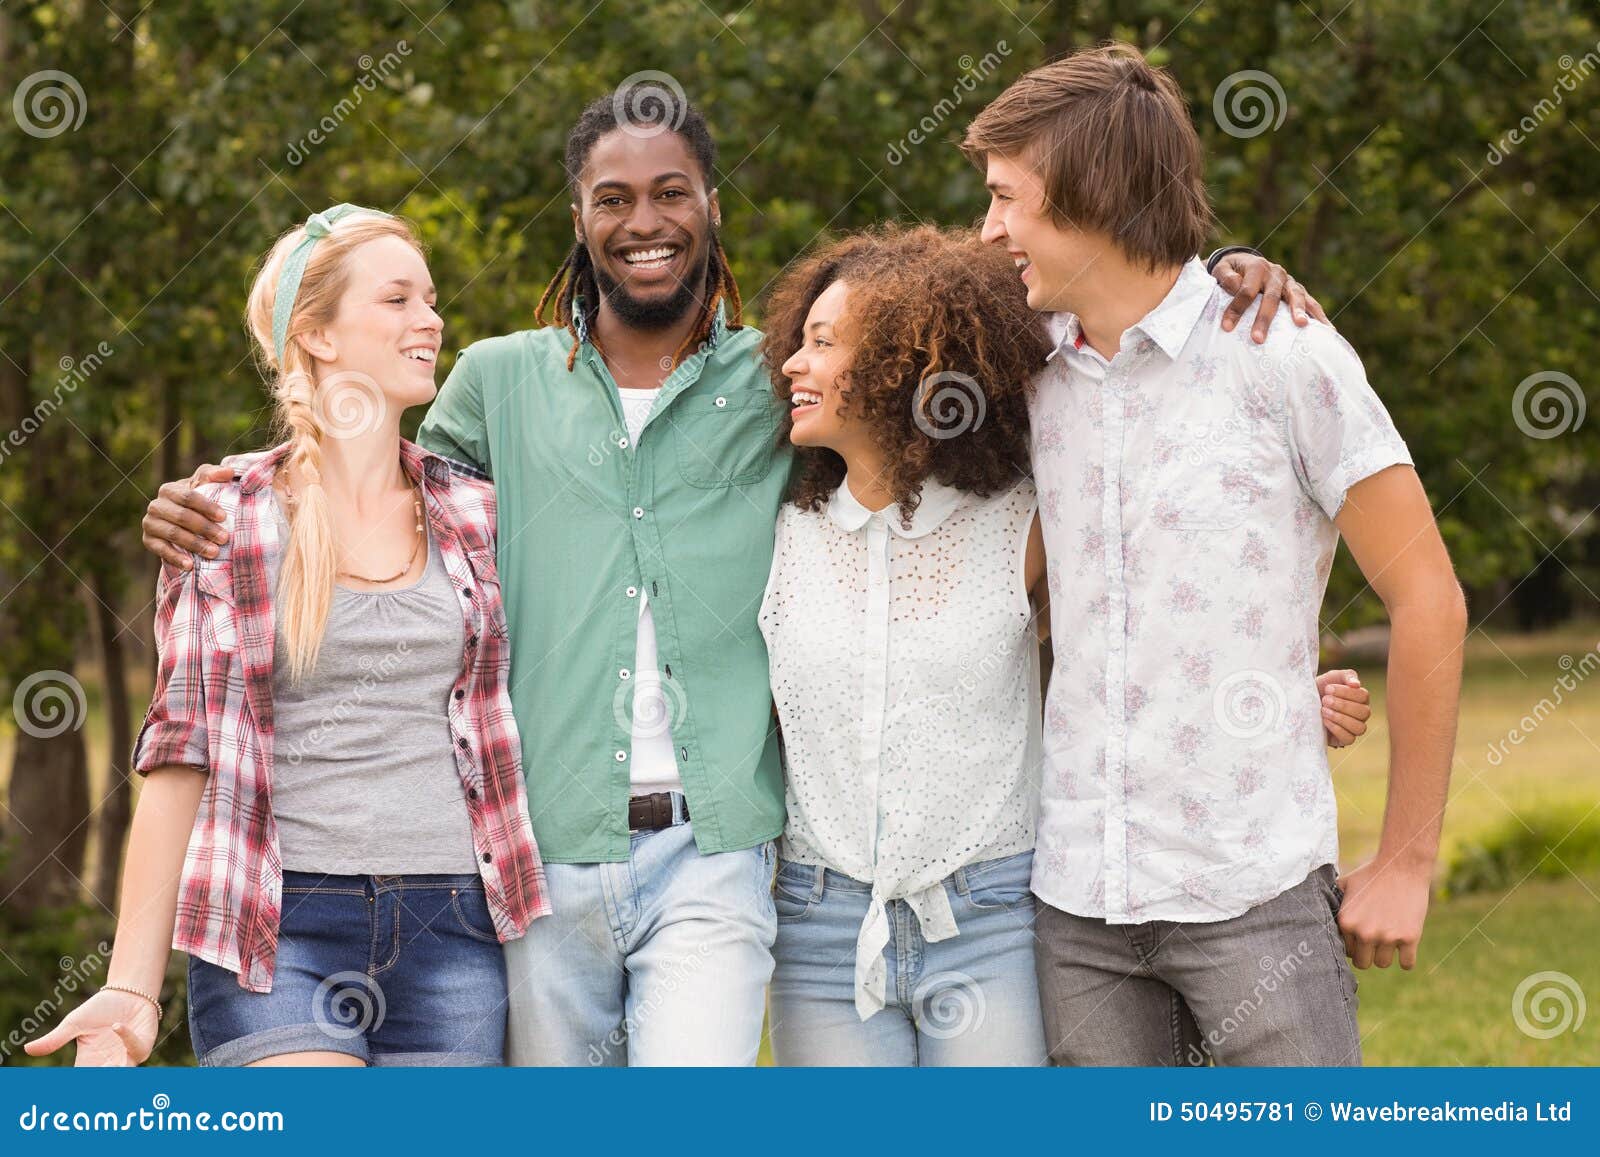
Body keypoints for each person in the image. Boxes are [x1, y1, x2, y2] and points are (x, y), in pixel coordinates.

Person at [136, 85, 1323, 1066]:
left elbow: (971, 323)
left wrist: (1203, 268)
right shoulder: (497, 384)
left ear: (711, 207)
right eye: (612, 198)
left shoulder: (782, 382)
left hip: (716, 850)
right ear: (580, 216)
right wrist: (220, 497)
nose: (642, 220)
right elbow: (367, 495)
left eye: (670, 192)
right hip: (544, 848)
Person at [756, 224, 1373, 1066]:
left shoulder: (1023, 518)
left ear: (905, 361)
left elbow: (1147, 609)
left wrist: (1279, 691)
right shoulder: (773, 527)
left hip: (988, 914)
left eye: (822, 344)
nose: (791, 360)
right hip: (823, 923)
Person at [964, 43, 1467, 1066]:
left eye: (1005, 198)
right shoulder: (1017, 368)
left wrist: (1407, 861)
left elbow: (1428, 597)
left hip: (1256, 896)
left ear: (1089, 192)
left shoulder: (1285, 358)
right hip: (1076, 905)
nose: (989, 229)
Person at [27, 206, 548, 1067]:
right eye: (397, 300)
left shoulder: (476, 513)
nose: (432, 320)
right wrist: (129, 984)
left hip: (455, 927)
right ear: (318, 335)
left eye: (430, 298)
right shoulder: (225, 521)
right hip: (279, 932)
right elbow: (181, 751)